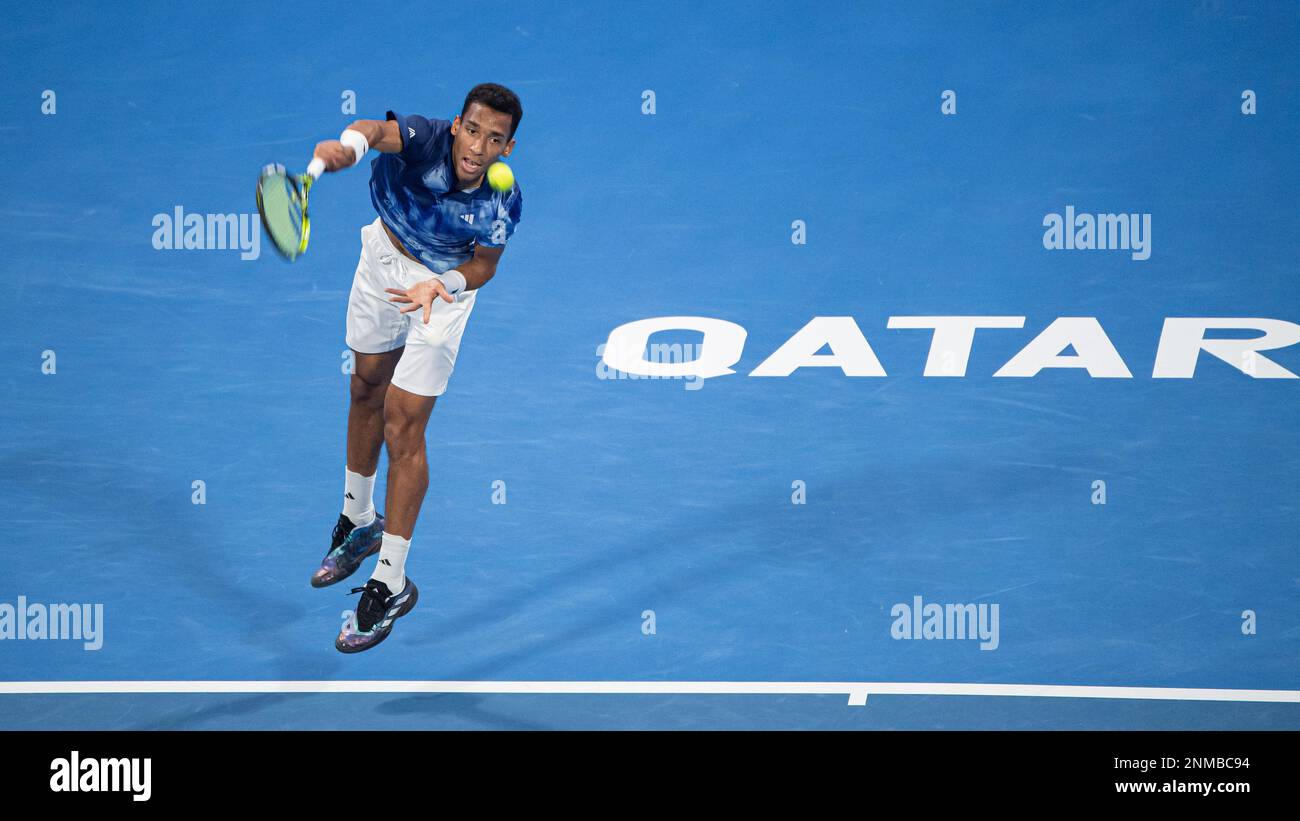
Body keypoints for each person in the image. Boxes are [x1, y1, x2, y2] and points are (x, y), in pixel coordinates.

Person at [307, 83, 523, 653]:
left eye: (494, 139)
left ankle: (391, 582)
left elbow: (484, 266)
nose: (478, 147)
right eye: (472, 130)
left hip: (443, 293)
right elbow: (375, 131)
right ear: (456, 125)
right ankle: (358, 521)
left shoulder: (503, 201)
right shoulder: (424, 139)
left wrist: (441, 284)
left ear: (508, 147)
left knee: (403, 423)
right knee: (365, 387)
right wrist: (350, 147)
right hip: (383, 259)